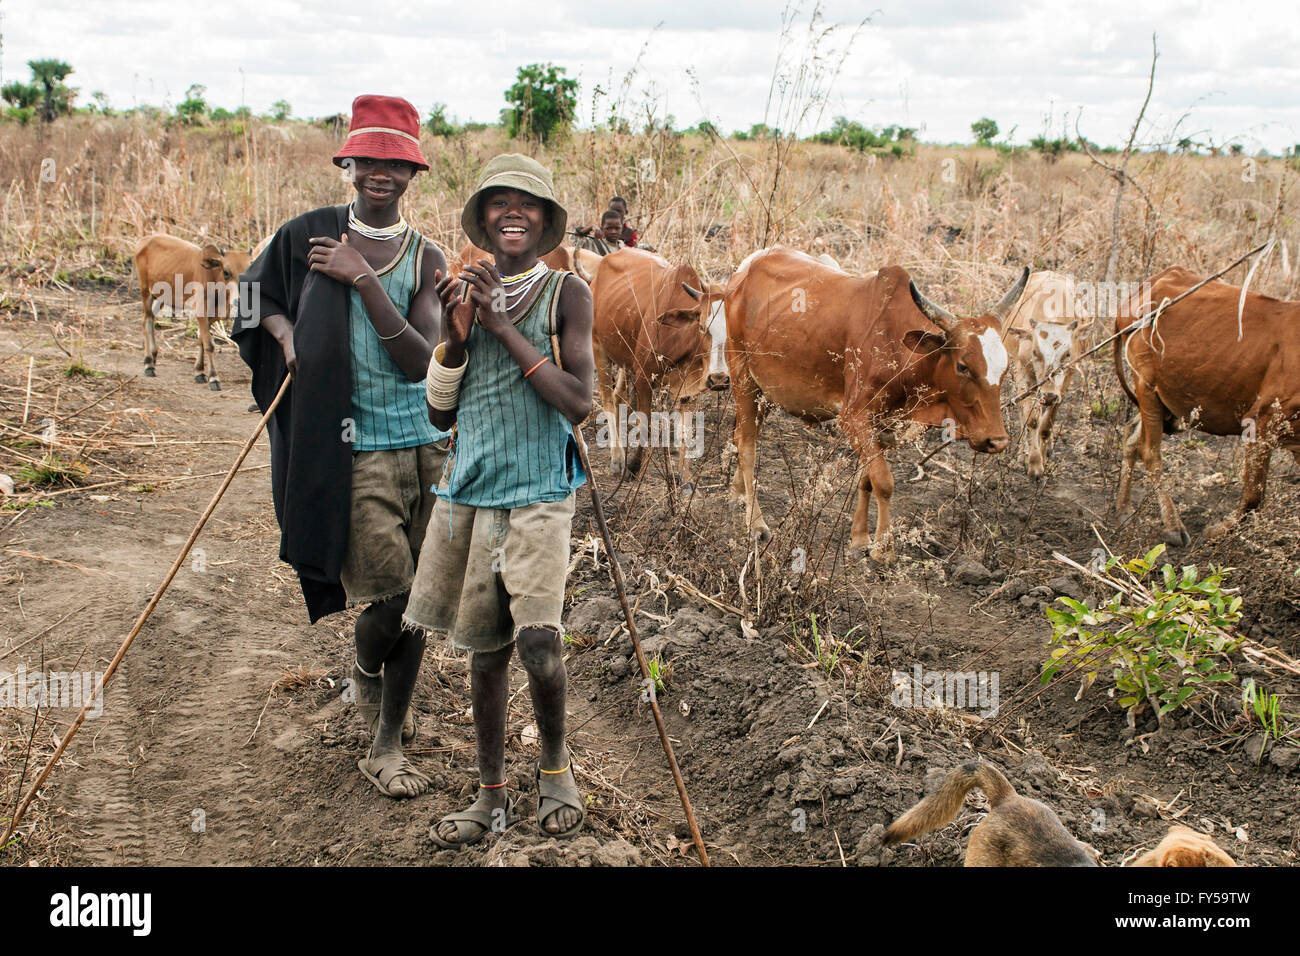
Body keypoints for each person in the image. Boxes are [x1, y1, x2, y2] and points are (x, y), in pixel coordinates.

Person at [232, 94, 449, 799]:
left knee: (420, 603)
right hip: (355, 453)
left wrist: (360, 278)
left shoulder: (426, 258)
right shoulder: (304, 237)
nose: (380, 173)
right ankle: (366, 670)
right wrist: (289, 337)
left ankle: (386, 737)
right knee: (394, 599)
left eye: (397, 162)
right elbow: (245, 300)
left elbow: (421, 361)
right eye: (370, 159)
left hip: (425, 449)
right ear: (347, 162)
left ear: (413, 174)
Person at [405, 154, 595, 847]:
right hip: (473, 496)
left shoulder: (566, 293)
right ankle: (488, 797)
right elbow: (437, 417)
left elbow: (580, 401)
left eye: (528, 203)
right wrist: (456, 336)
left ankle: (554, 771)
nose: (513, 212)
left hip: (542, 491)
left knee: (540, 642)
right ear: (482, 218)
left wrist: (502, 325)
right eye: (499, 202)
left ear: (544, 221)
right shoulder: (457, 294)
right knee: (485, 653)